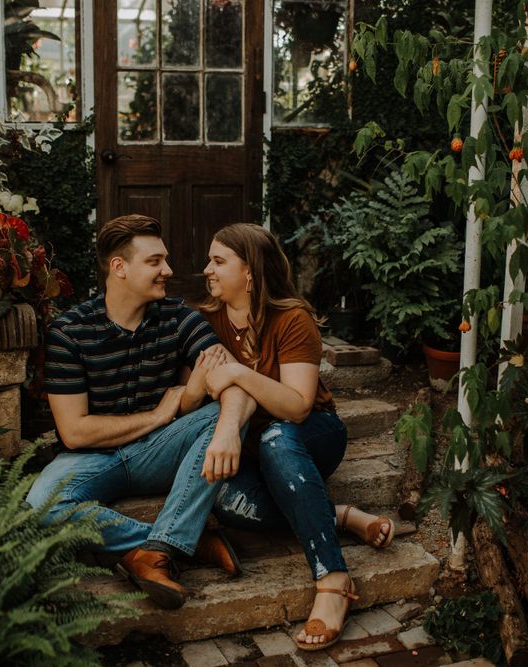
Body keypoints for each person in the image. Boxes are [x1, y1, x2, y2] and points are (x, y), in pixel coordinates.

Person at [183, 223, 396, 651]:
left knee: (277, 437)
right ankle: (338, 515)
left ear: (250, 272)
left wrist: (241, 372)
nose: (207, 269)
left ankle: (333, 578)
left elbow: (298, 404)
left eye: (218, 261)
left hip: (310, 434)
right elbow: (193, 400)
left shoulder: (292, 319)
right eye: (209, 260)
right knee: (227, 502)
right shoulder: (205, 321)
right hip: (248, 449)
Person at [25, 214, 255, 610]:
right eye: (155, 261)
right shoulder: (70, 332)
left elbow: (236, 382)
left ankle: (159, 547)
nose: (168, 270)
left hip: (159, 452)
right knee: (41, 507)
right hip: (90, 459)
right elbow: (74, 433)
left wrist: (229, 427)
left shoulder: (180, 319)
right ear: (119, 267)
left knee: (229, 409)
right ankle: (181, 540)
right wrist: (159, 414)